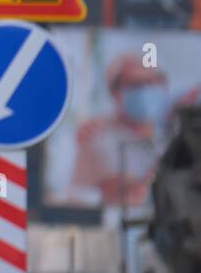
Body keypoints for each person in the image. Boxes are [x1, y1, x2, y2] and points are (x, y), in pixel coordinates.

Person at [69, 54, 170, 206]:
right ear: (115, 92)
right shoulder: (95, 137)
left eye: (152, 82)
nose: (146, 90)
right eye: (136, 84)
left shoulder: (176, 134)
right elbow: (78, 196)